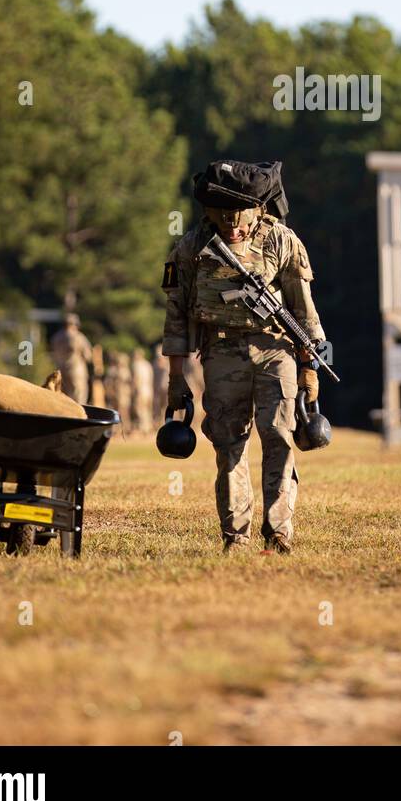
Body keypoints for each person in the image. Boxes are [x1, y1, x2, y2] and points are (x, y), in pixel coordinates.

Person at [161, 160, 326, 554]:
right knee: (229, 444)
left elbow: (303, 312)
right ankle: (235, 536)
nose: (232, 227)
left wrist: (309, 368)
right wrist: (175, 378)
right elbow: (177, 318)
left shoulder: (281, 240)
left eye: (239, 219)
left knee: (279, 435)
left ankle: (279, 533)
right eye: (223, 219)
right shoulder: (190, 248)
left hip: (276, 349)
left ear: (257, 211)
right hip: (220, 353)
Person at [49, 314, 93, 405]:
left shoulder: (57, 337)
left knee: (63, 399)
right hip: (76, 371)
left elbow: (52, 351)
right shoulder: (78, 337)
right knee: (79, 399)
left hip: (60, 370)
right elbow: (87, 356)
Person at [130, 347, 155, 432]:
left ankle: (143, 428)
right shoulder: (148, 364)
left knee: (140, 409)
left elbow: (136, 379)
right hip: (149, 389)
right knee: (147, 409)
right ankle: (148, 426)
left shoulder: (136, 365)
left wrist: (133, 390)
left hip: (140, 389)